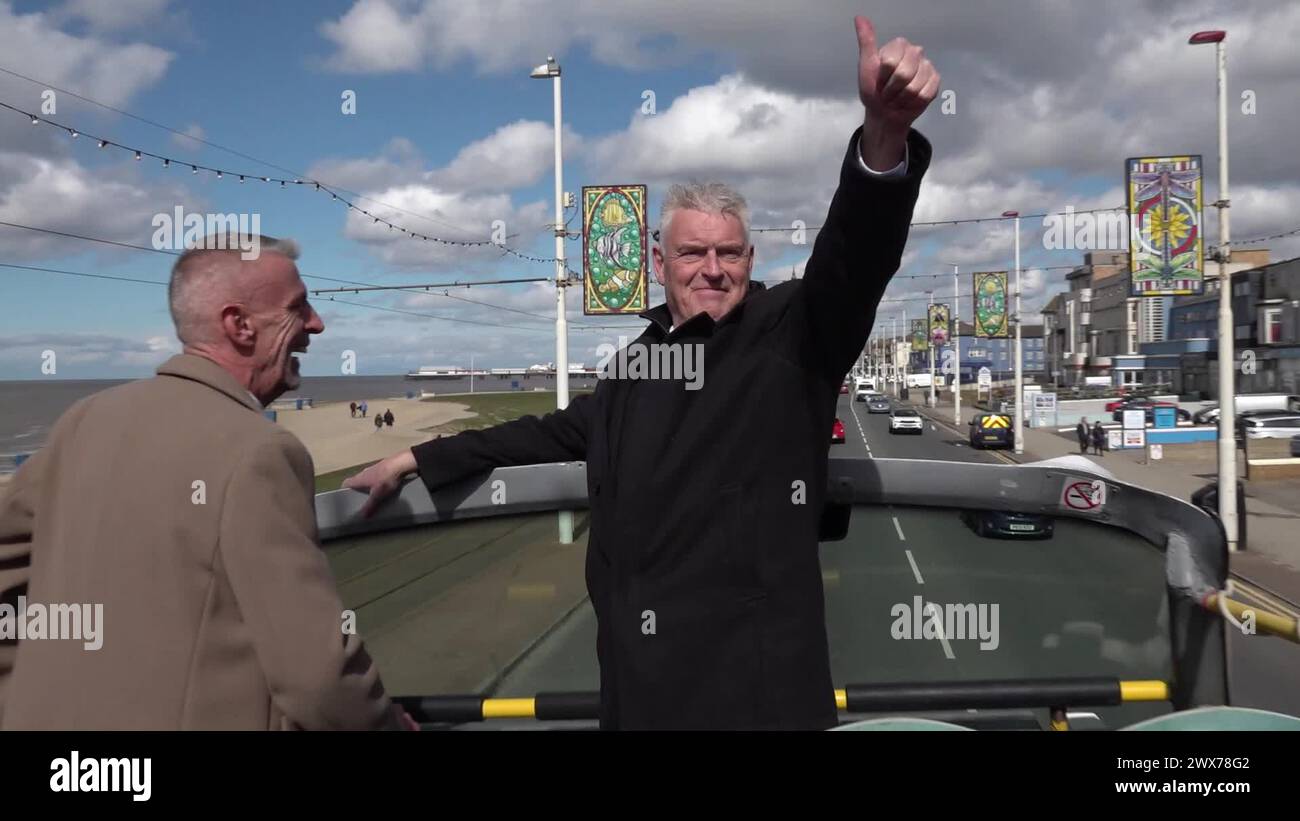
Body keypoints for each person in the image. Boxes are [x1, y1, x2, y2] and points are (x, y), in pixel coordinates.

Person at [345, 15, 937, 730]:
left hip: (757, 701)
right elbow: (549, 431)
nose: (712, 269)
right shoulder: (635, 366)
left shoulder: (793, 334)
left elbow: (856, 257)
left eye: (729, 253)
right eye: (693, 253)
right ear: (660, 264)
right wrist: (415, 454)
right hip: (638, 695)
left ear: (752, 263)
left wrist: (883, 139)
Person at [0, 233, 411, 731]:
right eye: (299, 307)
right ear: (239, 325)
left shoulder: (83, 418)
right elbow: (318, 673)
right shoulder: (260, 451)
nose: (316, 324)